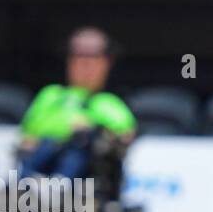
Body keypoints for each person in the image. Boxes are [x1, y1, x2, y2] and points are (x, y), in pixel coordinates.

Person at [17, 27, 136, 180]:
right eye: (78, 56)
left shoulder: (110, 103)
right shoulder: (50, 95)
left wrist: (94, 130)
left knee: (79, 146)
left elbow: (125, 137)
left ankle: (58, 184)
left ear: (106, 63)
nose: (85, 64)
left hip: (82, 171)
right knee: (46, 147)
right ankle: (26, 184)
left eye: (93, 57)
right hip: (43, 160)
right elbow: (26, 136)